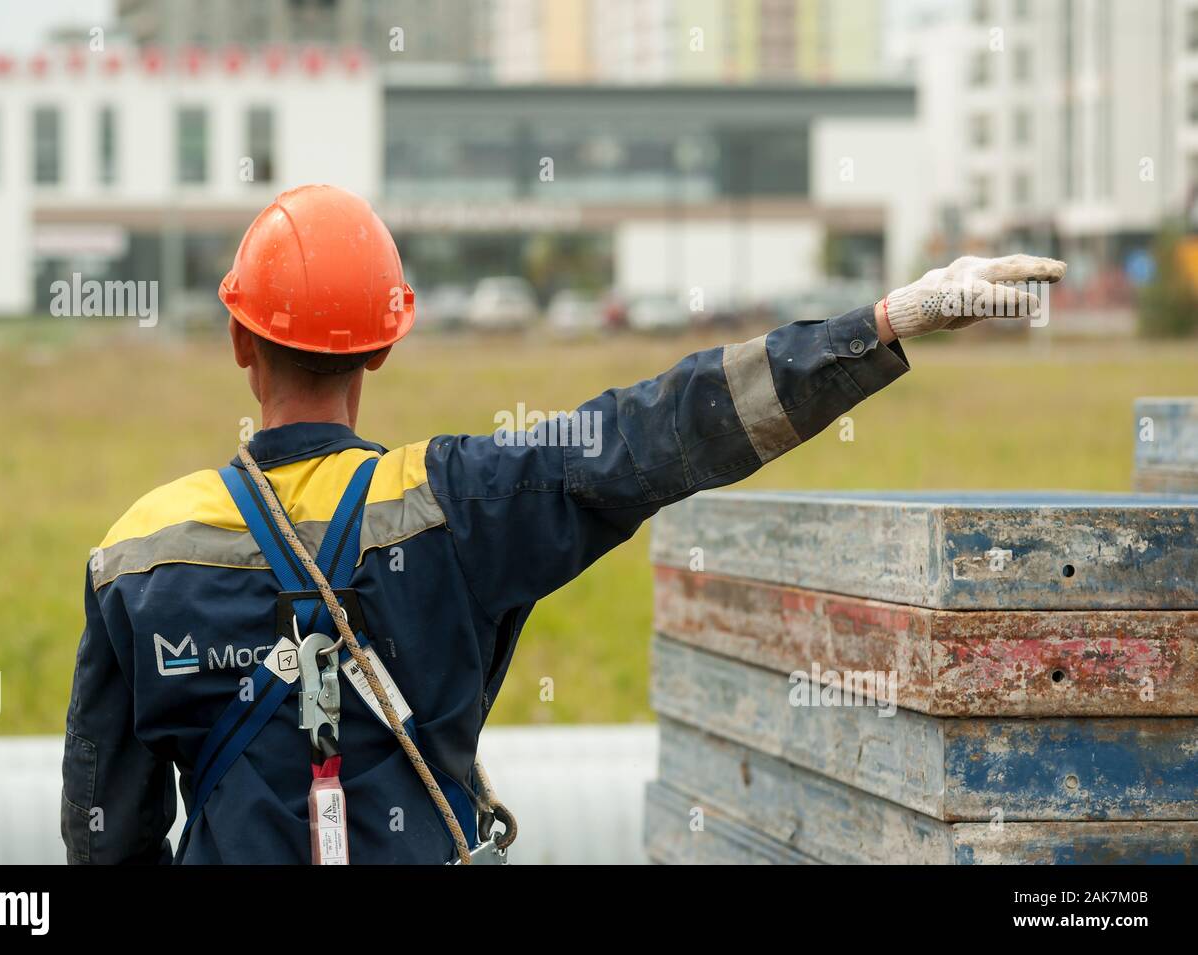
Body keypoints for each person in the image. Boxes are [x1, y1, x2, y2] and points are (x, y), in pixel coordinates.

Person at [61, 183, 1065, 864]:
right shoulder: (457, 499)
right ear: (382, 347)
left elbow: (105, 833)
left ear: (241, 340)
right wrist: (878, 325)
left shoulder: (137, 555)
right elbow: (657, 431)